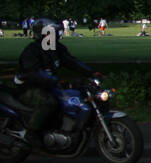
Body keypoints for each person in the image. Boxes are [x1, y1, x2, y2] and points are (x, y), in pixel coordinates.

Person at [12, 18, 94, 149]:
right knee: (49, 102)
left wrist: (91, 73)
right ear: (43, 34)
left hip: (48, 85)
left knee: (70, 99)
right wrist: (55, 81)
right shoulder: (32, 51)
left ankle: (61, 130)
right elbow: (34, 72)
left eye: (57, 33)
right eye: (53, 32)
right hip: (27, 87)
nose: (57, 35)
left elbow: (71, 61)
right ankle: (31, 133)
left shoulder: (56, 48)